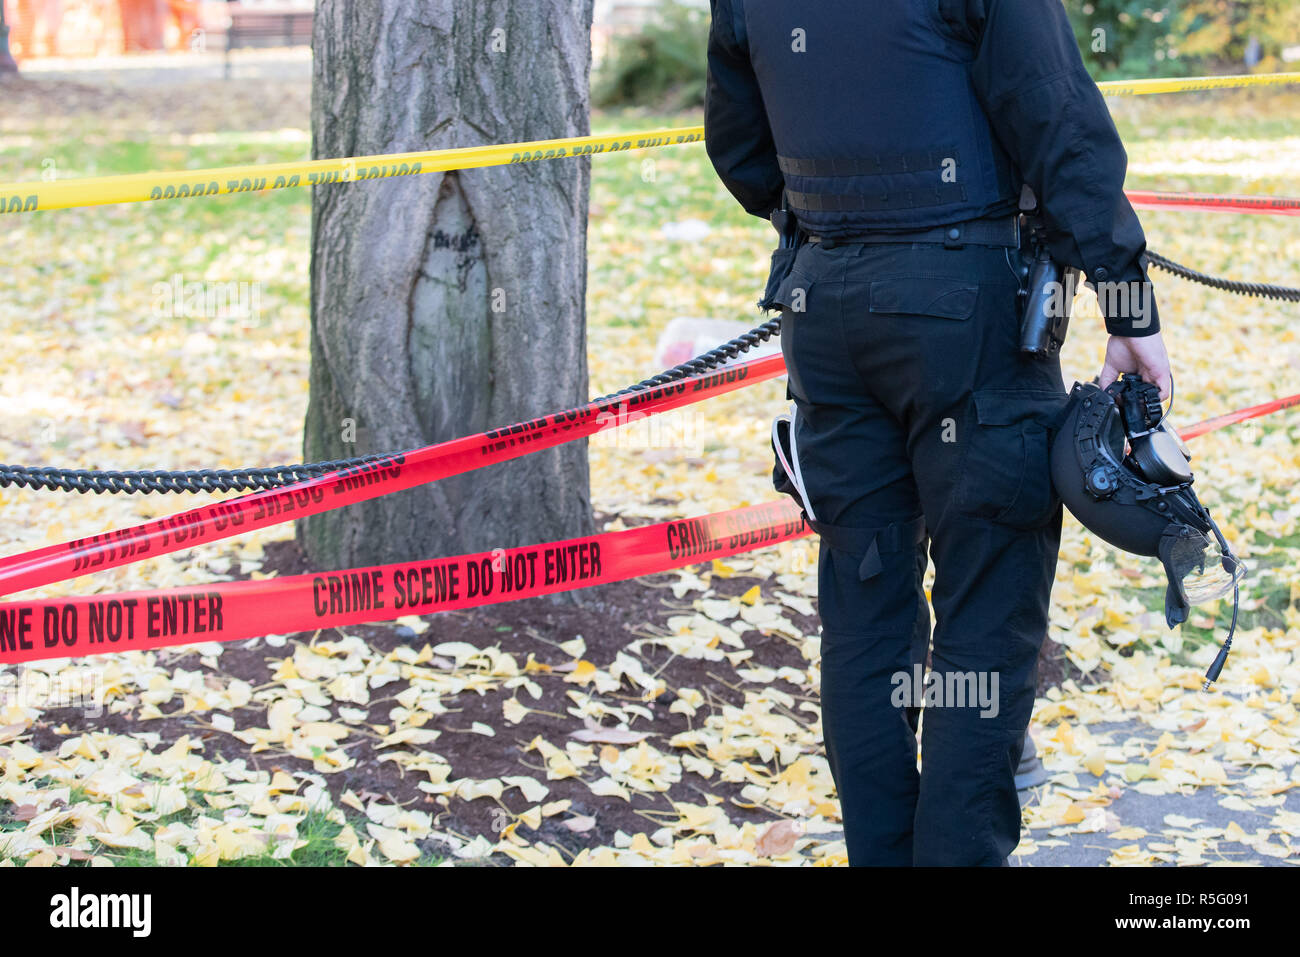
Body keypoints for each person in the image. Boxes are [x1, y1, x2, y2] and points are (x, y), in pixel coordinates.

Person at [704, 0, 1172, 866]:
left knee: (863, 613)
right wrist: (1128, 300)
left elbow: (737, 147)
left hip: (827, 311)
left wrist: (840, 229)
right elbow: (1054, 114)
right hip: (968, 315)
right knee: (985, 618)